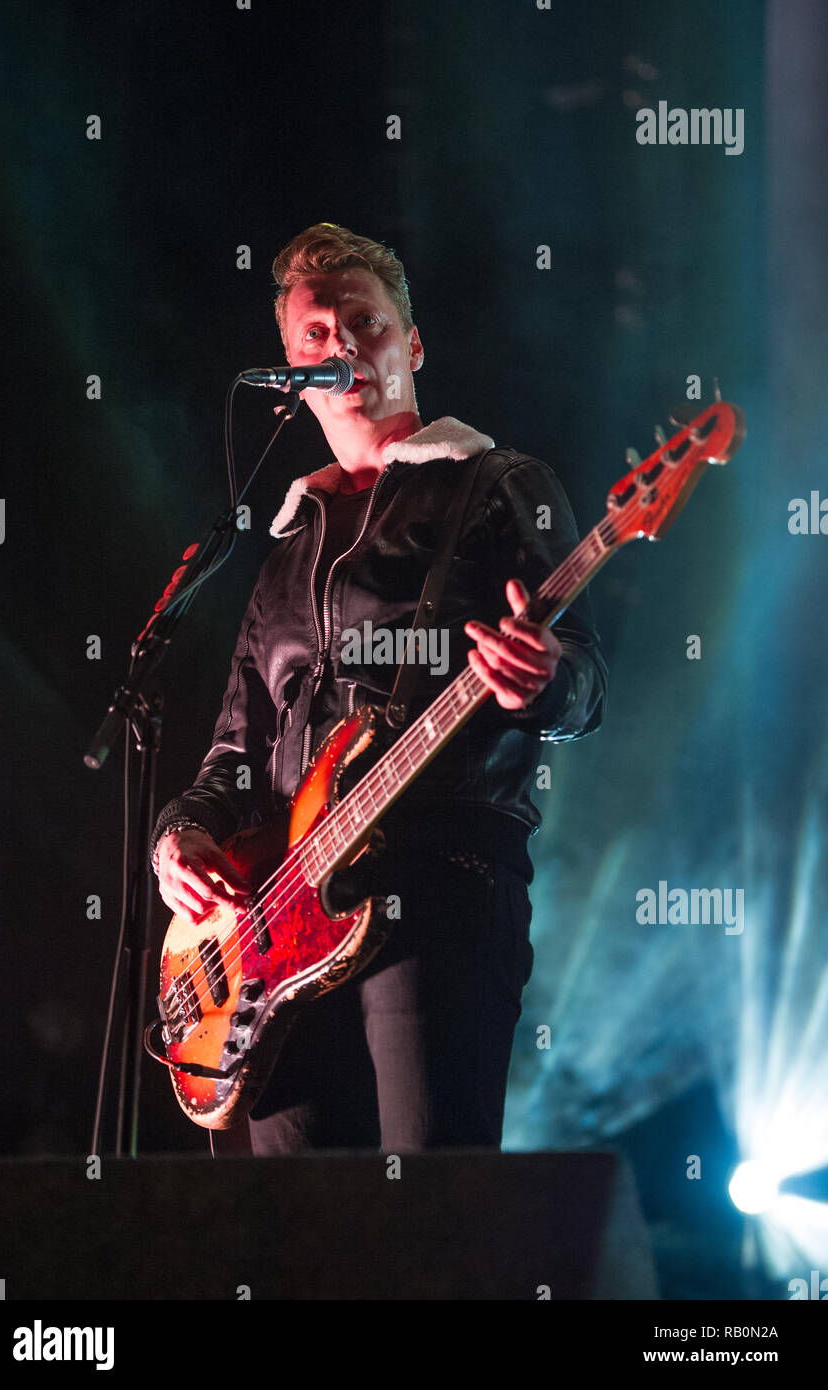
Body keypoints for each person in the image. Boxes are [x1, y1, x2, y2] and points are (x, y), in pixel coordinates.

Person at [150, 222, 607, 1154]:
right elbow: (235, 749)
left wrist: (541, 684)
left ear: (412, 344)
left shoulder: (494, 486)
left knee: (429, 1216)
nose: (341, 345)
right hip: (274, 932)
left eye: (364, 322)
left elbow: (589, 683)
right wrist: (181, 837)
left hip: (438, 886)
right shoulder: (286, 539)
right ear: (288, 367)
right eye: (315, 334)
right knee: (296, 1243)